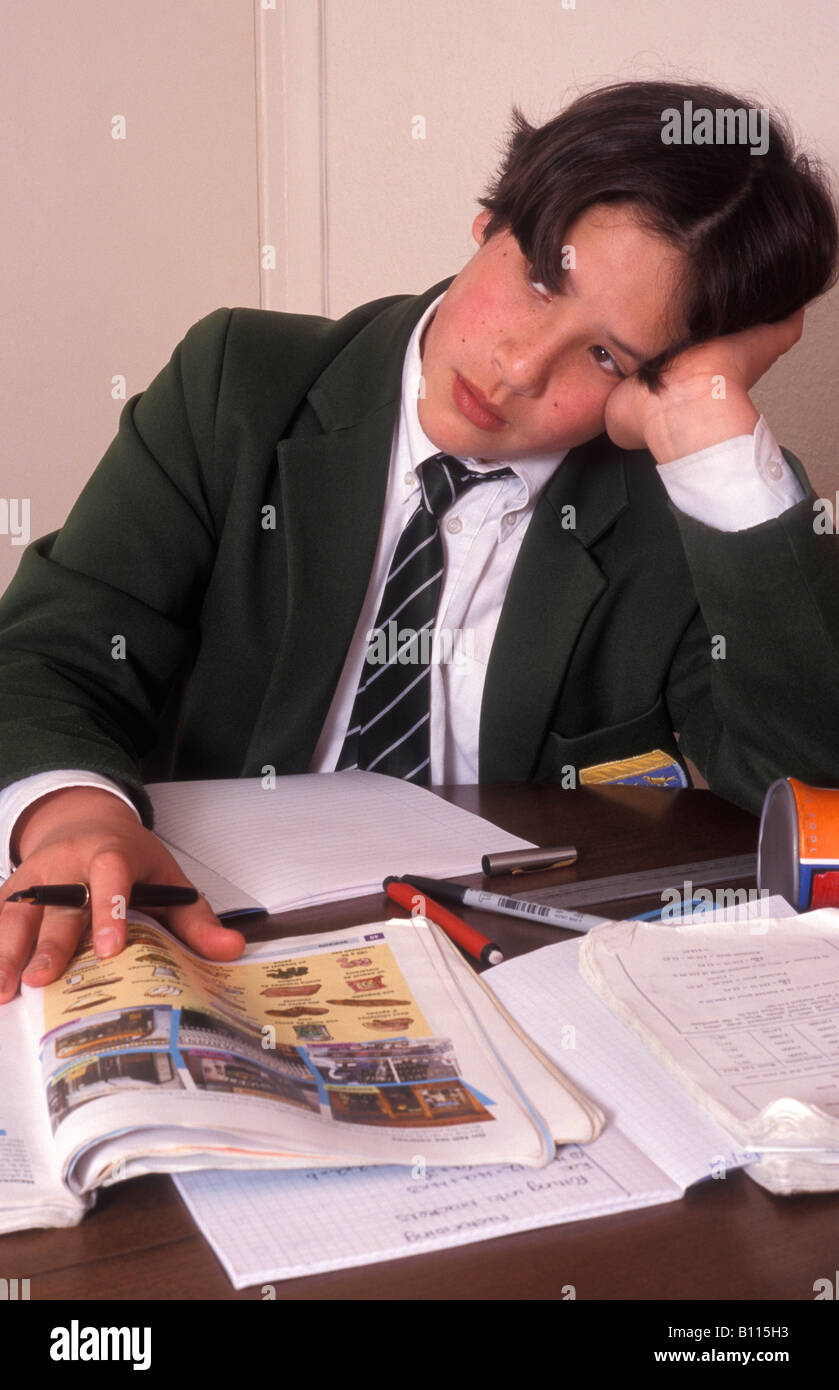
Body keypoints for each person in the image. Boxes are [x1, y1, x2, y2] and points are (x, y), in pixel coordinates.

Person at [0, 78, 838, 1003]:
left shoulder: (687, 504)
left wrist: (715, 443)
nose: (518, 367)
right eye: (538, 279)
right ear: (488, 222)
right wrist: (74, 811)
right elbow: (50, 656)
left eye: (607, 356)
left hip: (515, 977)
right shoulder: (237, 383)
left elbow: (799, 789)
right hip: (205, 943)